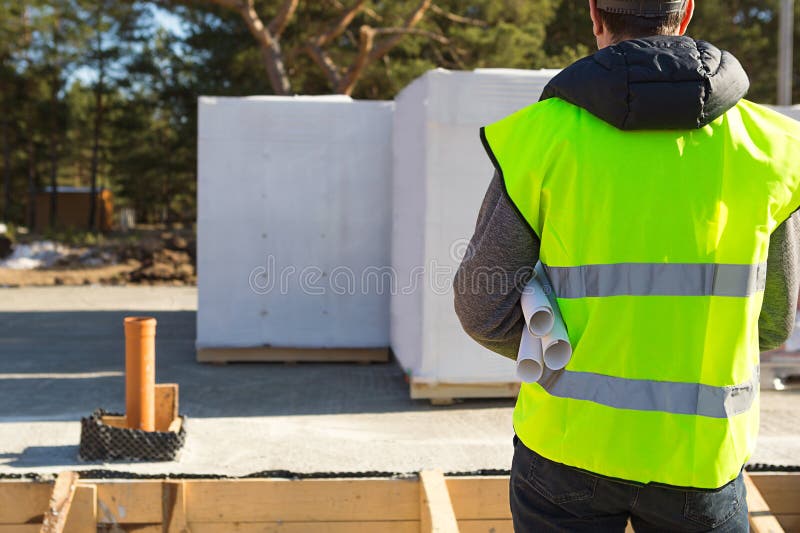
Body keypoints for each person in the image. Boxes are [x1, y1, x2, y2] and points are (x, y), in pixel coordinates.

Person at [453, 0, 800, 531]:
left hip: (566, 449)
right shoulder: (770, 148)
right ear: (684, 14)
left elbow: (483, 308)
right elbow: (773, 321)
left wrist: (555, 354)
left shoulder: (542, 138)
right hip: (700, 457)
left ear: (596, 15)